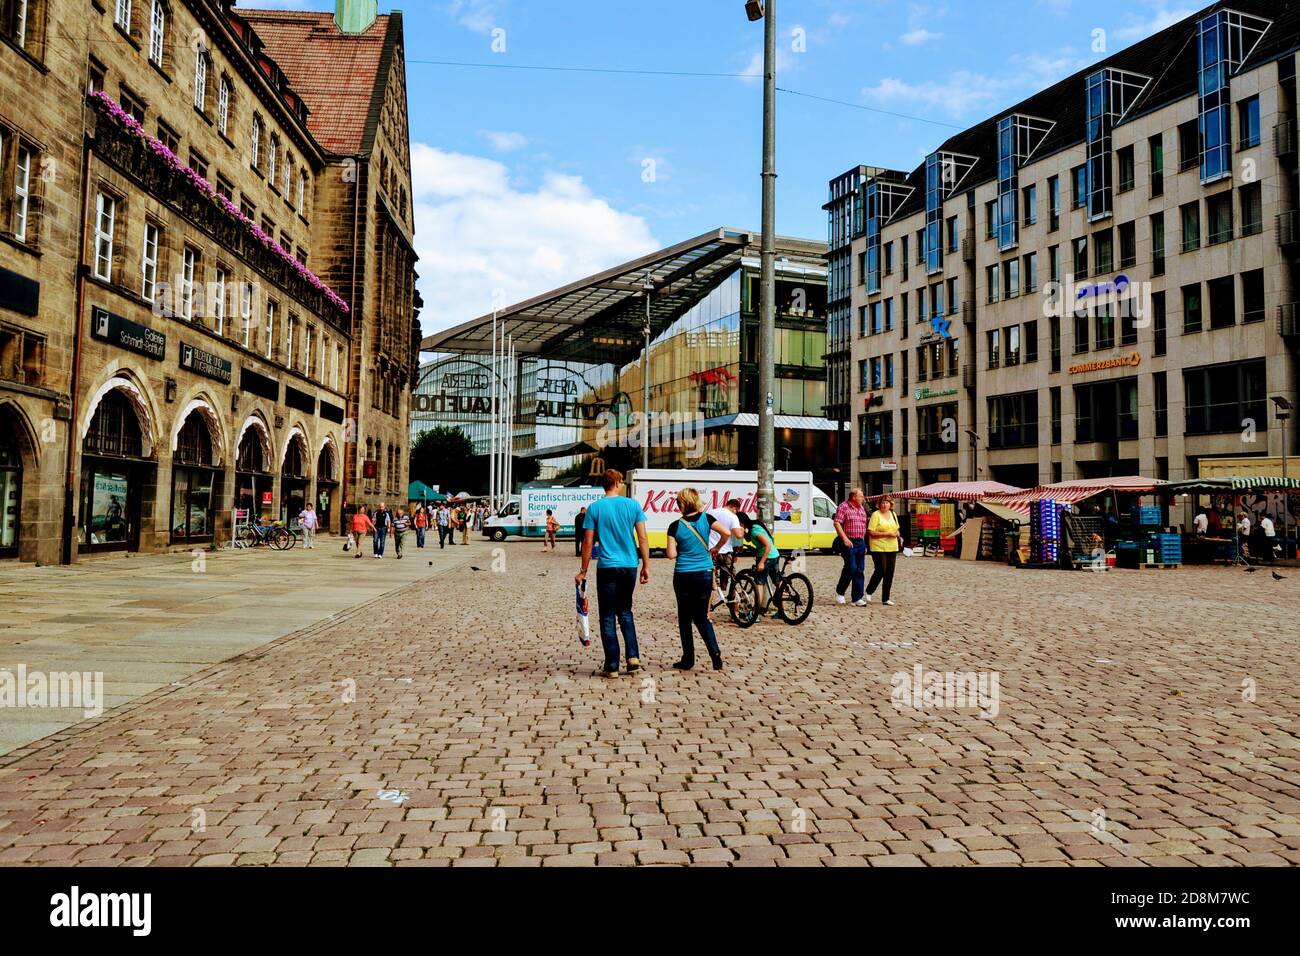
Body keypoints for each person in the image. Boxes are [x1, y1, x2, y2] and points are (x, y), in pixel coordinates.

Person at [576, 469, 650, 679]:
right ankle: (633, 657)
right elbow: (643, 538)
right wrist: (646, 565)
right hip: (629, 566)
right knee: (625, 611)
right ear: (617, 483)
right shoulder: (633, 505)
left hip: (607, 567)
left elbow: (588, 542)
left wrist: (583, 571)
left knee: (607, 615)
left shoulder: (594, 508)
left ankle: (612, 665)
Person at [665, 488, 727, 670]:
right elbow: (727, 533)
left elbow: (671, 554)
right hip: (704, 573)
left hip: (683, 575)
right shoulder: (707, 519)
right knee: (702, 617)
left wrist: (679, 547)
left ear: (681, 504)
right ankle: (714, 653)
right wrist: (716, 548)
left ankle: (688, 658)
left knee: (684, 618)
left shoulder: (675, 526)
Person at [738, 511, 781, 618]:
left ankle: (755, 615)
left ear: (741, 523)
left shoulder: (754, 530)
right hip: (774, 555)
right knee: (778, 583)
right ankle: (782, 612)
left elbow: (767, 545)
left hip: (767, 558)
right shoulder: (754, 526)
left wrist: (761, 562)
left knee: (759, 584)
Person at [833, 489, 869, 606]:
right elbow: (837, 522)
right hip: (848, 541)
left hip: (860, 542)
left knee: (860, 569)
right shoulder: (843, 507)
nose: (863, 498)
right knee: (851, 567)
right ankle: (840, 592)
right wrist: (845, 539)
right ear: (853, 497)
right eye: (861, 496)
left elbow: (863, 526)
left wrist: (864, 544)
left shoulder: (862, 508)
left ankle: (857, 597)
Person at [865, 495, 902, 606]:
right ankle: (869, 590)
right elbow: (870, 532)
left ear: (891, 504)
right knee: (881, 570)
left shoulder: (893, 514)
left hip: (892, 546)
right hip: (878, 546)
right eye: (882, 503)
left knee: (890, 573)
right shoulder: (876, 515)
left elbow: (897, 529)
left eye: (886, 503)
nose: (884, 505)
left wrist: (897, 534)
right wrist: (887, 534)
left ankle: (885, 598)